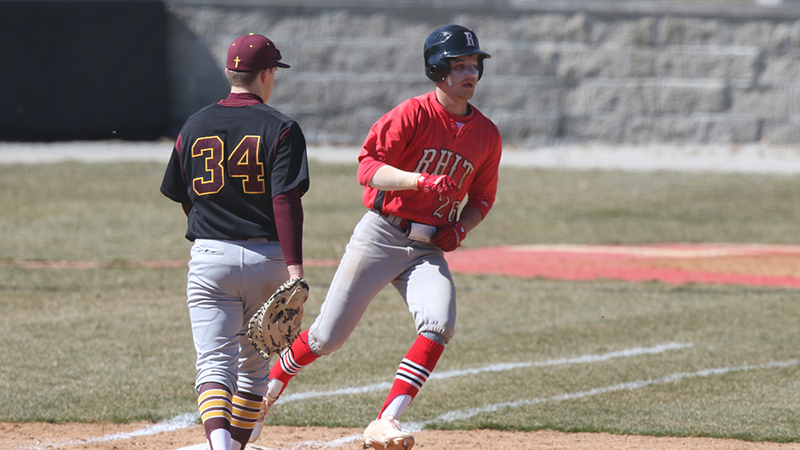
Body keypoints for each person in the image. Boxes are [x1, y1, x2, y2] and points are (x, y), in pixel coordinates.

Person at [252, 24, 502, 450]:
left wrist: (462, 227)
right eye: (460, 65)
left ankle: (385, 421)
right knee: (325, 338)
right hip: (383, 233)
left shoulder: (487, 134)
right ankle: (266, 394)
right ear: (438, 70)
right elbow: (368, 168)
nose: (470, 73)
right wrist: (419, 181)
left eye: (474, 64)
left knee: (439, 323)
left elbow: (482, 198)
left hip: (427, 249)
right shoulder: (412, 114)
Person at [160, 33, 309, 450]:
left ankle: (220, 444)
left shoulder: (194, 125)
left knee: (213, 364)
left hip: (211, 257)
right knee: (254, 368)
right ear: (266, 74)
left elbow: (181, 194)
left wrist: (211, 231)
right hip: (269, 259)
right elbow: (285, 200)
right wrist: (295, 268)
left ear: (230, 73)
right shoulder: (282, 127)